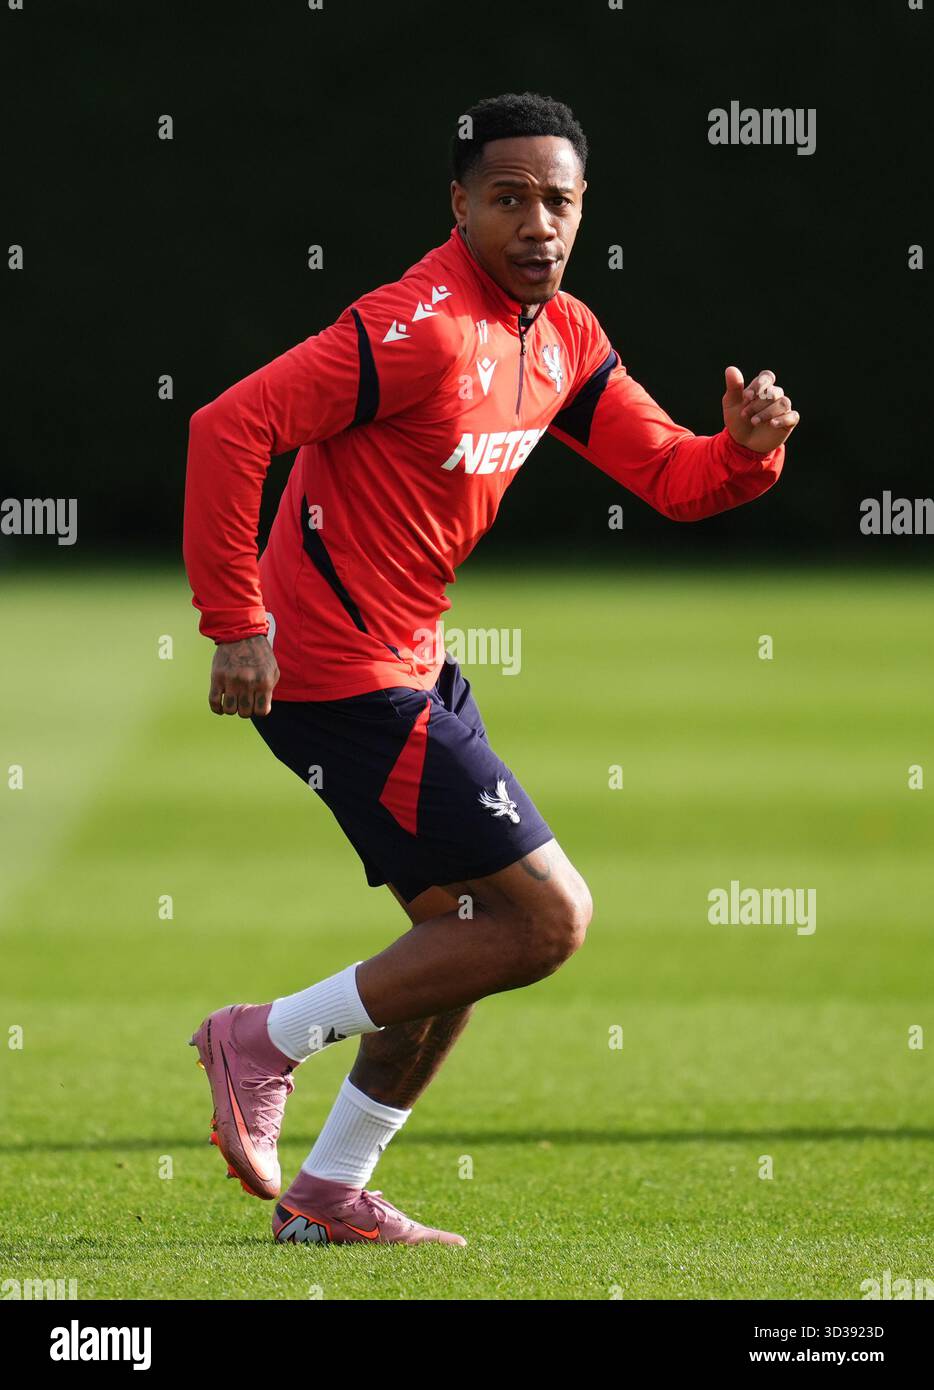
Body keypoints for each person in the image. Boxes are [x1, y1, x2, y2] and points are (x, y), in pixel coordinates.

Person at [182, 91, 798, 1246]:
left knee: (465, 934)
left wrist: (744, 456)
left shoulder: (560, 334)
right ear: (458, 205)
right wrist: (235, 619)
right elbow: (229, 425)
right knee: (547, 920)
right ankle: (259, 1039)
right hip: (334, 669)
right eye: (506, 197)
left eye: (556, 200)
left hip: (409, 659)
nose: (535, 223)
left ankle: (326, 1196)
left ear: (580, 211)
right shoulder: (411, 324)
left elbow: (667, 473)